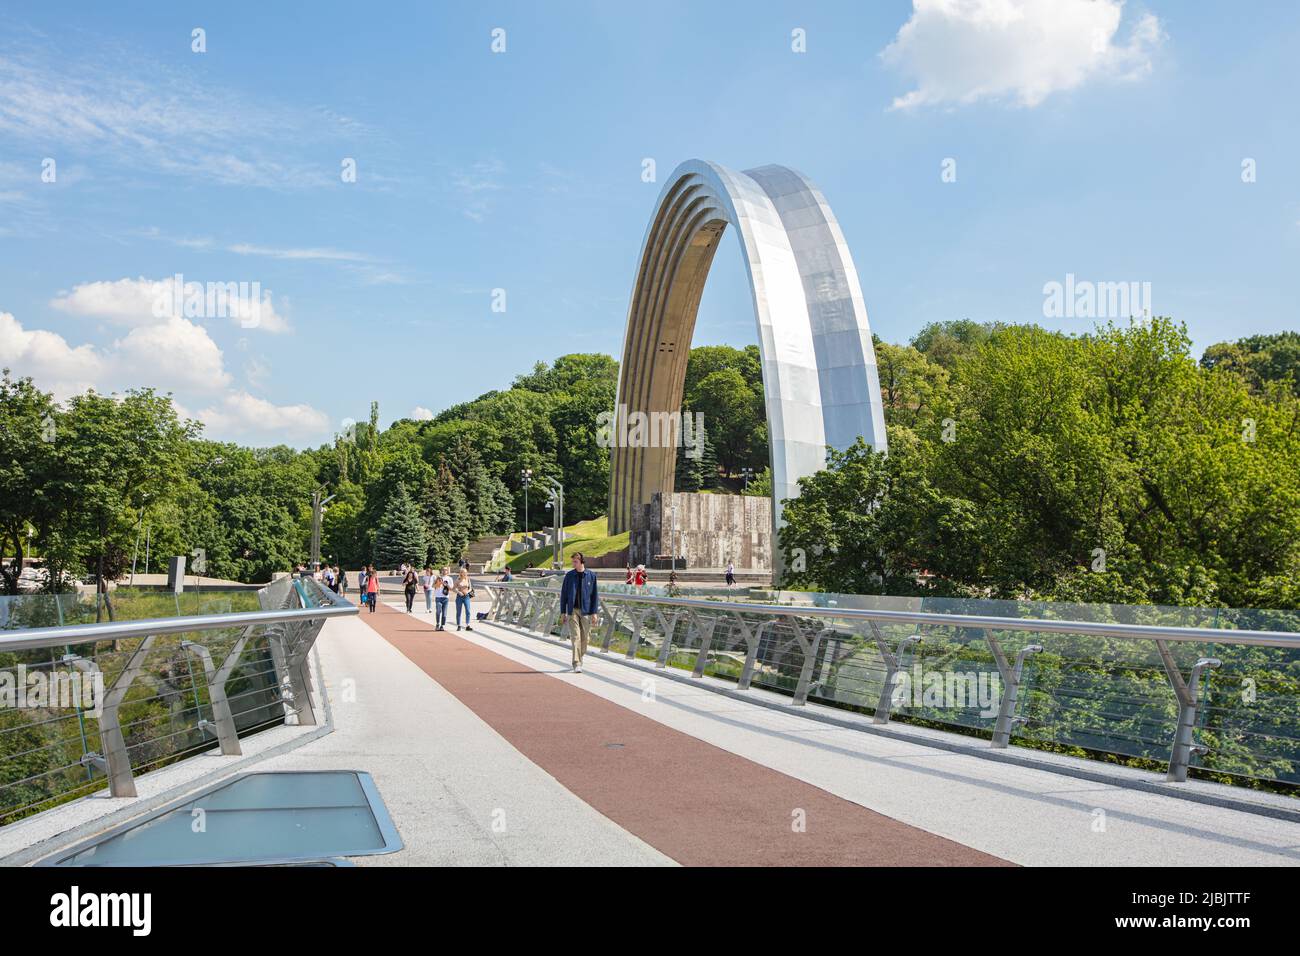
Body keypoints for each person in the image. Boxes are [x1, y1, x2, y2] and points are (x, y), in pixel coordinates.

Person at [560, 551, 599, 673]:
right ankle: (576, 663)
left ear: (582, 562)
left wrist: (594, 613)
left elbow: (594, 596)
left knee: (585, 639)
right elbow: (564, 595)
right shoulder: (569, 576)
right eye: (572, 561)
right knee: (575, 637)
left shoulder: (591, 576)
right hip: (572, 611)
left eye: (575, 562)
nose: (573, 564)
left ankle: (579, 658)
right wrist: (563, 612)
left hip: (586, 611)